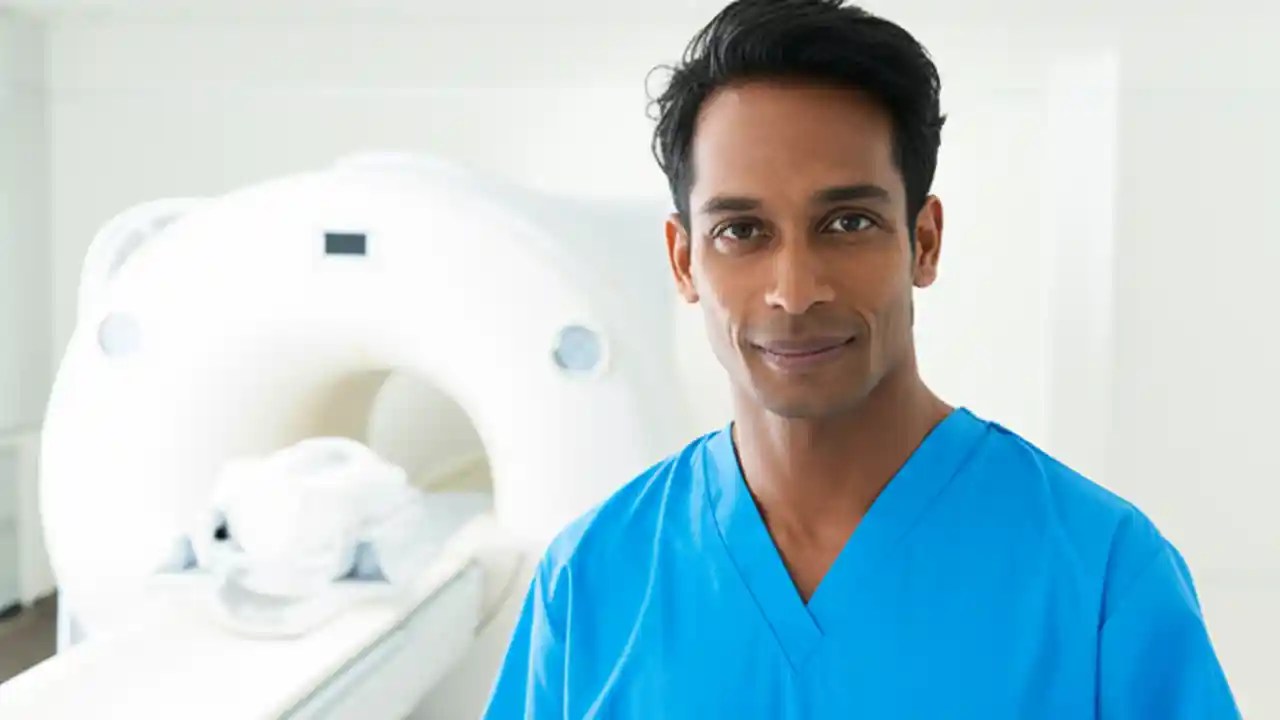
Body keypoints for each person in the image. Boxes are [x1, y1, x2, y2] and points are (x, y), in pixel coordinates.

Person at [483, 0, 1240, 717]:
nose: (795, 290)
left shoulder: (1100, 577)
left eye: (847, 222)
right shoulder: (589, 585)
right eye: (741, 231)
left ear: (925, 241)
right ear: (683, 262)